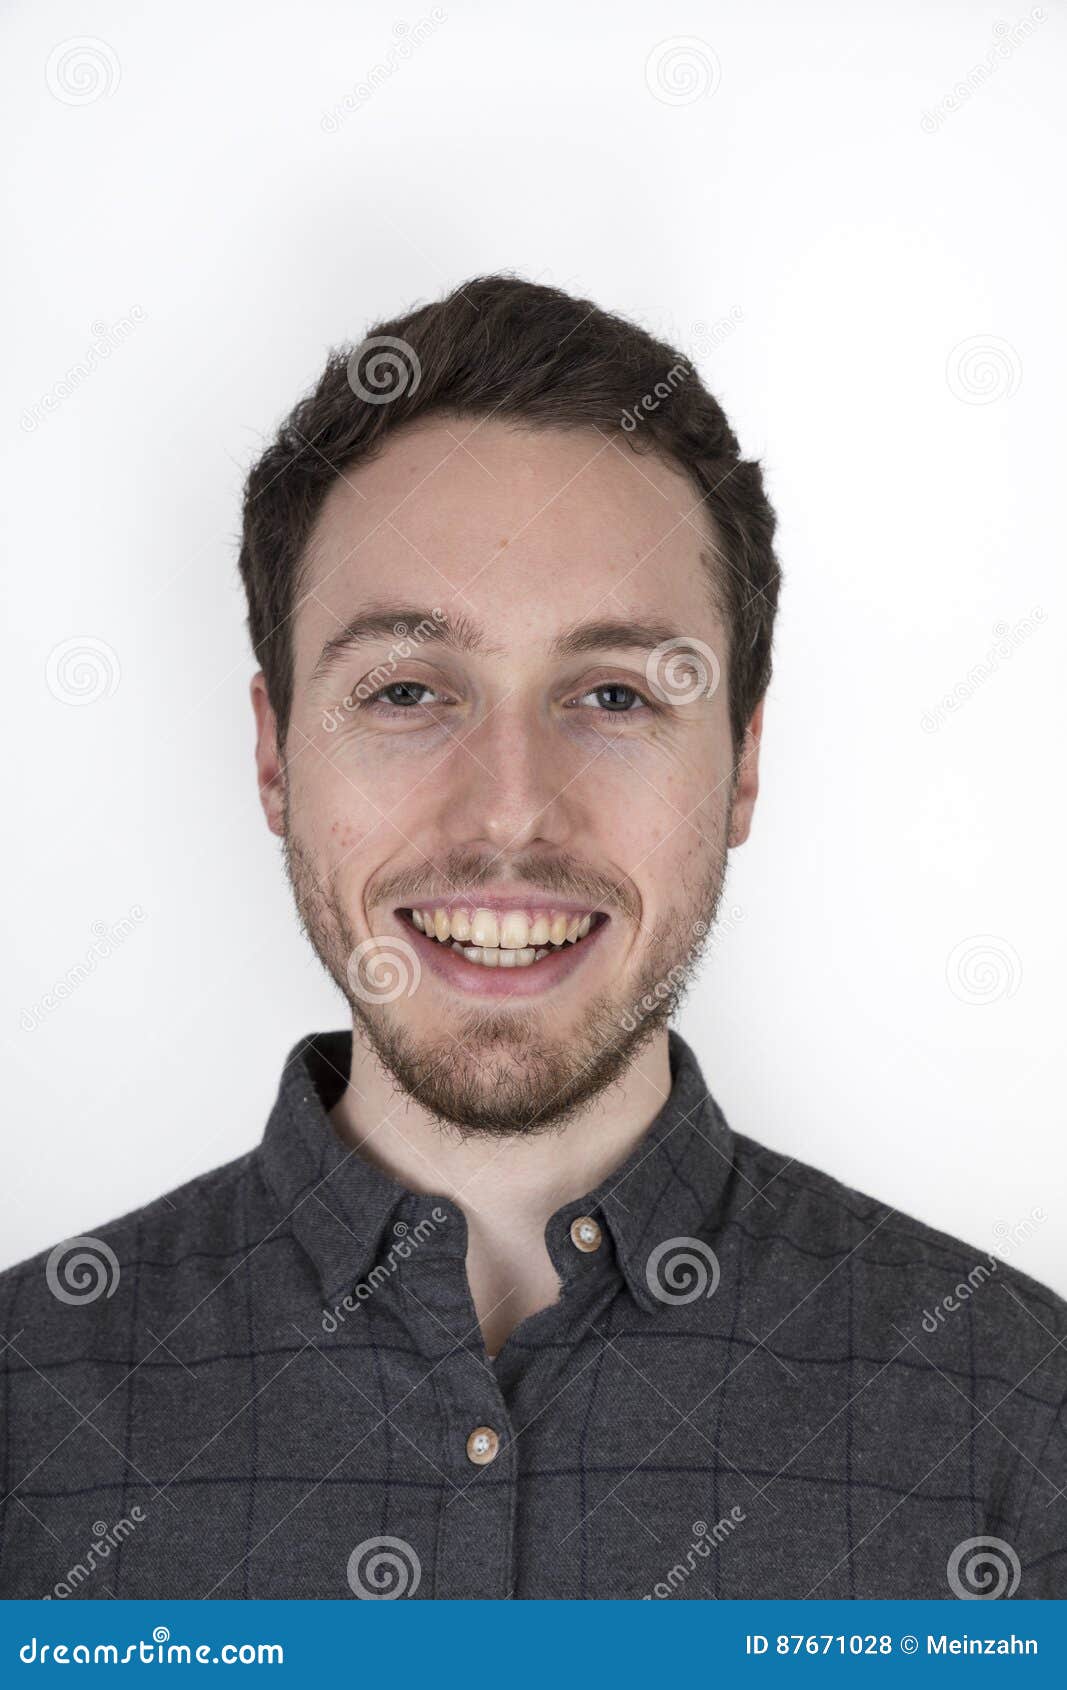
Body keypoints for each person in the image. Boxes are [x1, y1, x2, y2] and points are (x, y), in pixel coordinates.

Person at [1, 277, 1063, 1600]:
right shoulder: (24, 1423)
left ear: (741, 764)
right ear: (275, 756)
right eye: (404, 691)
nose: (509, 811)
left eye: (614, 692)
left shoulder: (1021, 1424)